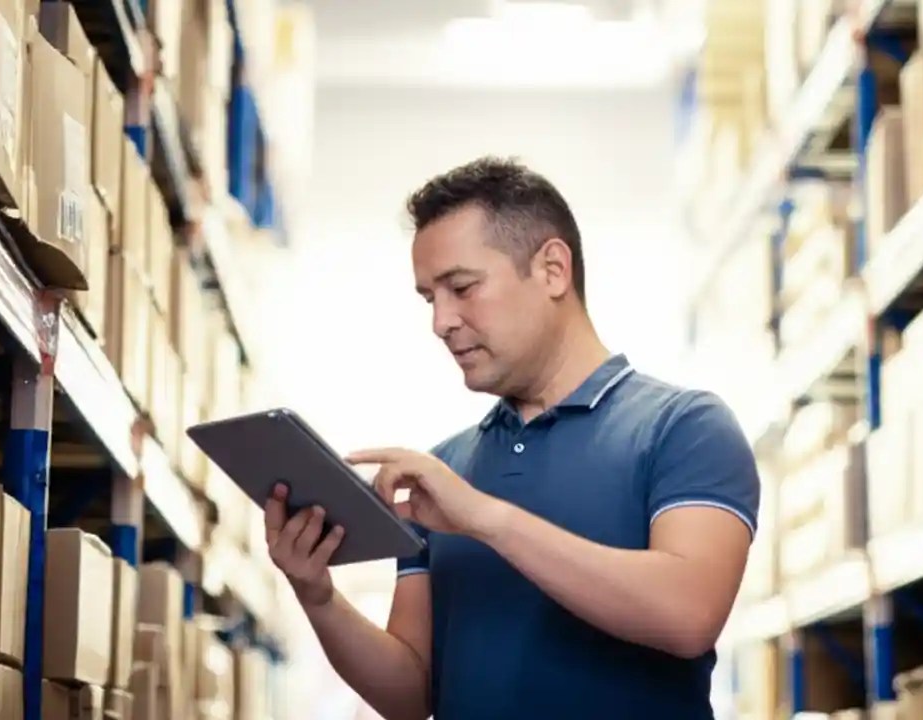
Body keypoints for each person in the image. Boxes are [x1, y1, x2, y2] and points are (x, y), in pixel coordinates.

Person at [264, 157, 761, 720]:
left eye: (462, 287)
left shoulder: (685, 428)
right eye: (430, 298)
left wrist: (484, 517)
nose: (441, 322)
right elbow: (411, 695)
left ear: (552, 269)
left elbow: (688, 614)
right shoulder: (447, 468)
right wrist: (317, 595)